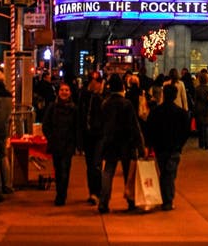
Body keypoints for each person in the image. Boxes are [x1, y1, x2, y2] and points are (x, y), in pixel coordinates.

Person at [97, 72, 145, 214]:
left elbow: (101, 124)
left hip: (110, 141)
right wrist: (140, 146)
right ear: (122, 87)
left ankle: (103, 202)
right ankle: (130, 201)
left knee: (108, 172)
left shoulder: (105, 104)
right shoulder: (127, 104)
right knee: (128, 174)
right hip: (126, 142)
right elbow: (134, 126)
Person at [144, 81, 191, 211]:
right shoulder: (181, 113)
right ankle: (167, 200)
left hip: (160, 147)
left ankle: (166, 198)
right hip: (174, 148)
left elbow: (149, 129)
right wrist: (180, 144)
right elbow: (186, 131)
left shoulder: (156, 112)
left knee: (165, 172)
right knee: (169, 173)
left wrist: (150, 144)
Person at [42, 81, 80, 206]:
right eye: (62, 90)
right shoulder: (52, 107)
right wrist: (50, 137)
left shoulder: (74, 109)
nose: (64, 92)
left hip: (68, 144)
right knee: (58, 170)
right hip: (56, 143)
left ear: (70, 93)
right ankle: (60, 192)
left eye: (66, 90)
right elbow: (46, 125)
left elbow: (77, 127)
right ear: (58, 92)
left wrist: (76, 142)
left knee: (65, 169)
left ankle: (61, 195)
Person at [78, 73, 104, 204]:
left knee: (96, 164)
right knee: (90, 165)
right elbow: (80, 115)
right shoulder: (84, 96)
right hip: (87, 135)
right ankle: (92, 191)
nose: (95, 83)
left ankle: (97, 193)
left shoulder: (103, 97)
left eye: (97, 81)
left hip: (99, 136)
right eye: (93, 81)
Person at [193, 68, 208, 150]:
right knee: (207, 127)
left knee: (200, 127)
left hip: (199, 109)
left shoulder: (197, 88)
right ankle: (207, 144)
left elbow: (195, 100)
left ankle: (201, 143)